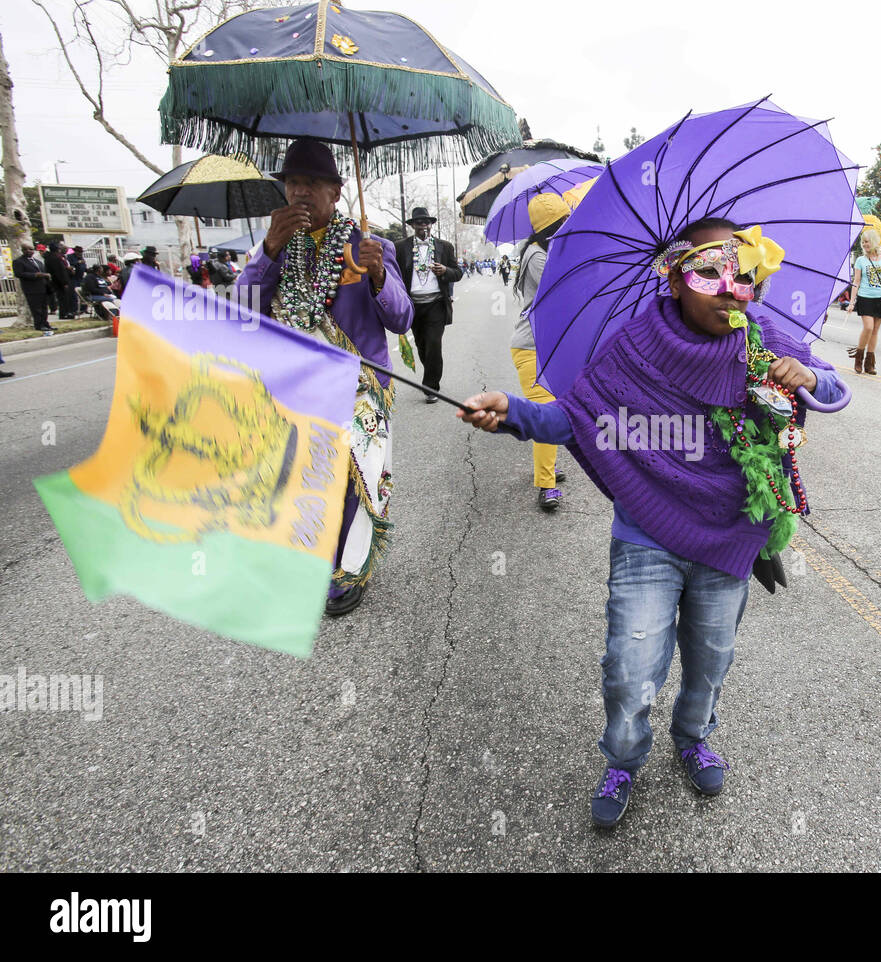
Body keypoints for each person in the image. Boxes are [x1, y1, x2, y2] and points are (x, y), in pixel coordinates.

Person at [459, 218, 847, 827]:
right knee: (631, 663)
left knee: (711, 656)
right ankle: (623, 757)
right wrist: (514, 413)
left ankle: (692, 738)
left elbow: (833, 387)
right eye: (708, 272)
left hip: (730, 534)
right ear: (673, 277)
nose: (727, 288)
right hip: (647, 531)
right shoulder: (633, 344)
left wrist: (810, 376)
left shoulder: (763, 339)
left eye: (741, 274)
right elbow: (579, 418)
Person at [235, 138, 414, 617]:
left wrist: (378, 277)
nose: (299, 192)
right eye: (292, 182)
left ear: (336, 192)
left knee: (357, 478)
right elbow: (242, 311)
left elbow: (401, 318)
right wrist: (270, 250)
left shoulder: (368, 244)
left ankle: (348, 569)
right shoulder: (270, 245)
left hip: (361, 386)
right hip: (300, 386)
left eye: (312, 183)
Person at [510, 193, 573, 511]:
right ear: (552, 229)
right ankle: (545, 486)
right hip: (530, 348)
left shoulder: (542, 251)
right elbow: (560, 289)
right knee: (547, 416)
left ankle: (546, 467)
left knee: (553, 411)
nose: (569, 228)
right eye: (564, 223)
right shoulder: (537, 256)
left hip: (544, 347)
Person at [395, 206, 463, 402]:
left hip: (436, 303)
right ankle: (430, 372)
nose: (423, 226)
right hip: (412, 305)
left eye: (426, 222)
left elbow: (457, 273)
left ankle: (431, 388)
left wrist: (445, 271)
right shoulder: (400, 247)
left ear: (431, 225)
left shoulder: (445, 246)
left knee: (434, 344)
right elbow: (394, 272)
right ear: (413, 225)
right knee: (421, 345)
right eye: (419, 223)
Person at [846, 213, 881, 375]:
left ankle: (870, 363)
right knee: (868, 327)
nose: (864, 244)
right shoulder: (861, 260)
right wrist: (852, 302)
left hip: (880, 298)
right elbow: (857, 282)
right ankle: (858, 358)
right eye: (863, 242)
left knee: (875, 331)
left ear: (874, 241)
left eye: (867, 241)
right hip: (865, 298)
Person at [13, 243, 55, 334]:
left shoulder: (38, 262)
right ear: (22, 250)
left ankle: (45, 323)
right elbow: (18, 274)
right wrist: (35, 275)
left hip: (43, 287)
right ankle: (39, 325)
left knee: (44, 307)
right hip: (31, 289)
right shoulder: (18, 261)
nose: (29, 251)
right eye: (26, 249)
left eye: (31, 249)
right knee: (36, 308)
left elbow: (43, 272)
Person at [44, 241, 75, 320]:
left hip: (57, 280)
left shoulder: (52, 257)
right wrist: (64, 282)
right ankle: (64, 314)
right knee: (63, 298)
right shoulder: (55, 258)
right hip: (59, 282)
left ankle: (66, 312)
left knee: (64, 297)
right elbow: (59, 271)